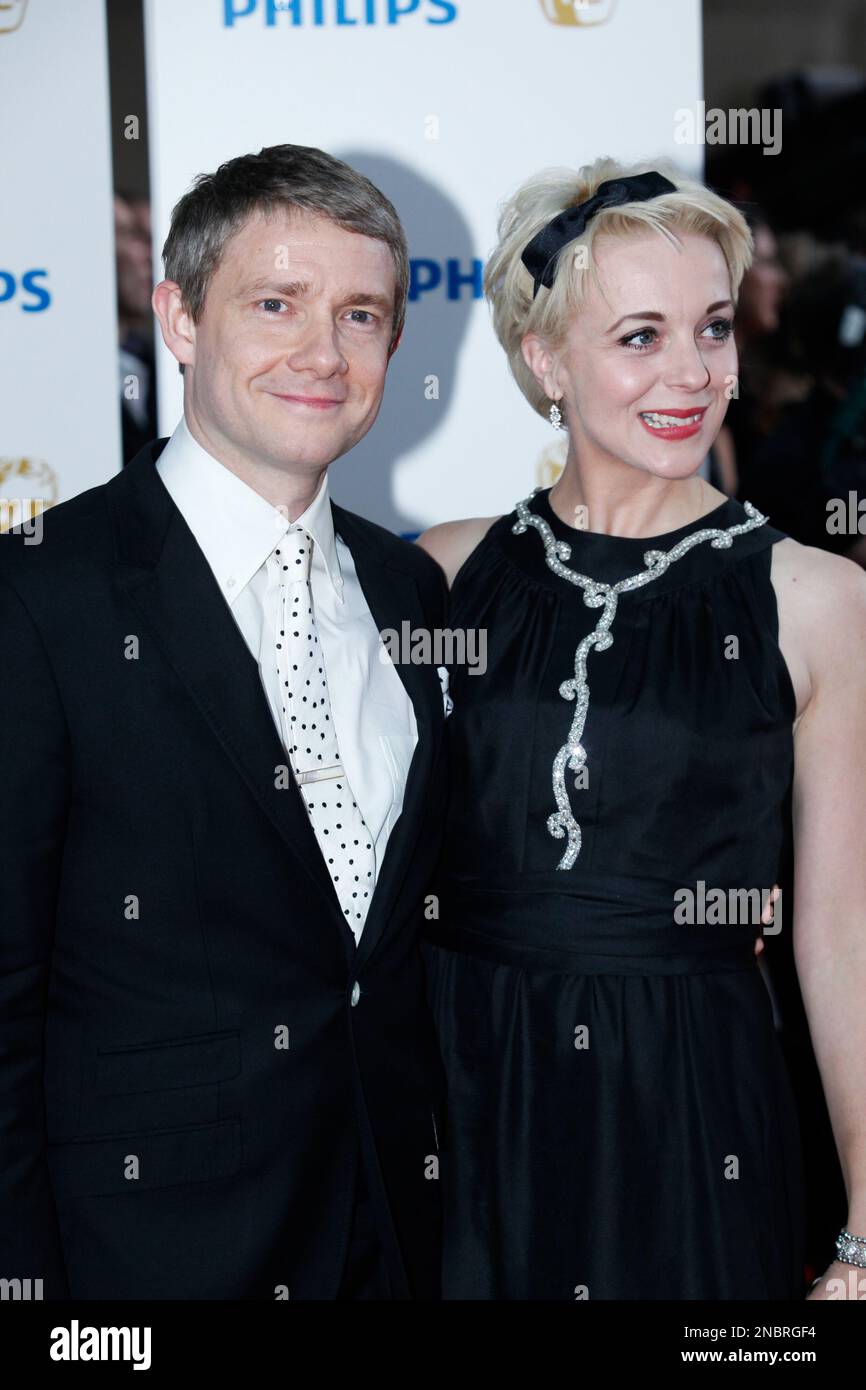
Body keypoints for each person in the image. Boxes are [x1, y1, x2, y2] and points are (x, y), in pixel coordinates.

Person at [0, 144, 449, 1300]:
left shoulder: (409, 597)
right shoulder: (40, 594)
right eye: (275, 303)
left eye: (361, 314)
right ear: (179, 319)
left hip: (395, 1240)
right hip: (146, 1273)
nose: (323, 352)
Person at [419, 159, 866, 1300]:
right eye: (638, 336)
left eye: (711, 328)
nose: (690, 374)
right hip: (460, 1089)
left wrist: (863, 1232)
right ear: (543, 358)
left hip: (692, 1102)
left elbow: (840, 937)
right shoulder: (440, 571)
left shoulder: (813, 597)